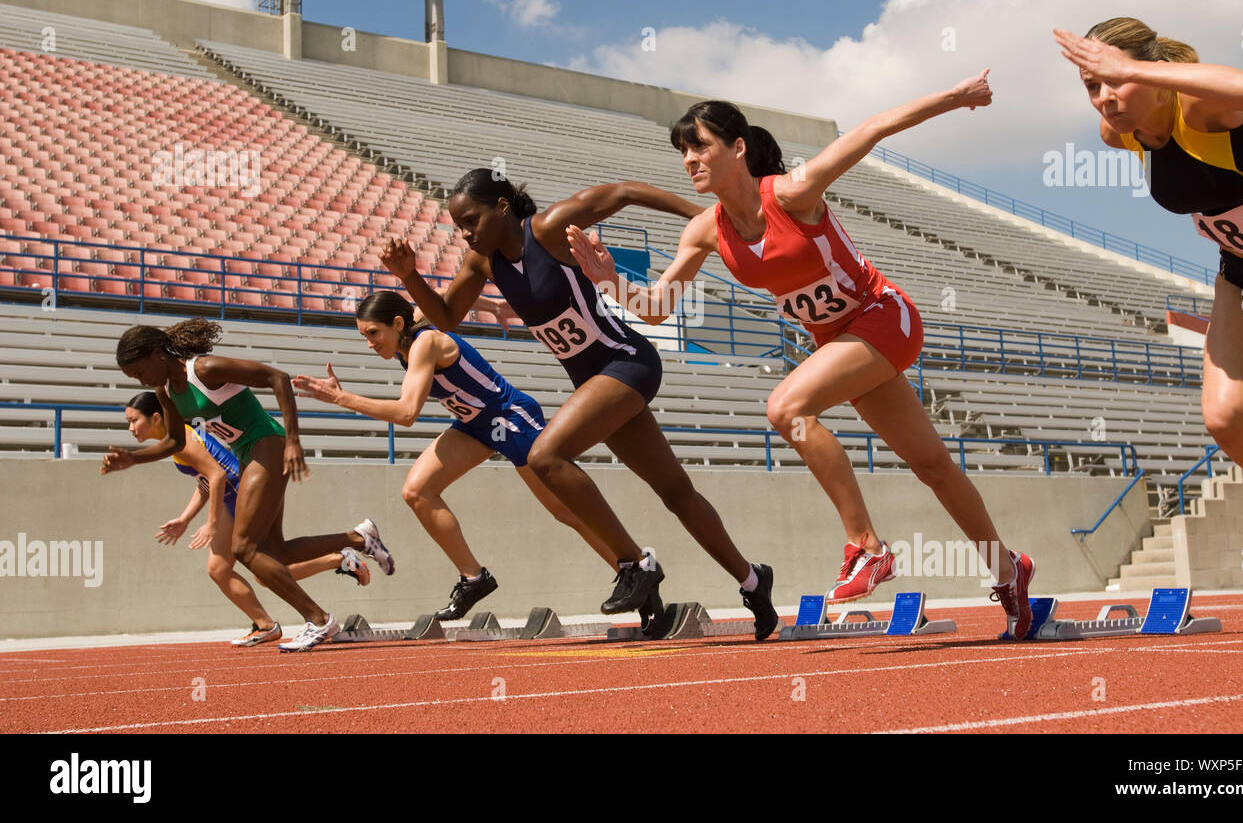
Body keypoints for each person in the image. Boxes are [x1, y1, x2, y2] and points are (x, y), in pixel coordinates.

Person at [566, 76, 1038, 638]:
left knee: (786, 406)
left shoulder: (793, 193)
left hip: (884, 317)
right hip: (840, 344)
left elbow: (872, 129)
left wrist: (954, 98)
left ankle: (867, 547)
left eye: (701, 145)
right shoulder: (704, 232)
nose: (690, 159)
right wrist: (611, 281)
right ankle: (1010, 571)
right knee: (932, 465)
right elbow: (657, 309)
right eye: (683, 151)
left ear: (737, 147)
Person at [380, 172, 779, 640]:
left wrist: (710, 217)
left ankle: (636, 564)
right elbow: (446, 317)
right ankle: (753, 580)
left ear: (504, 206)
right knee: (675, 492)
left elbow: (626, 191)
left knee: (544, 455)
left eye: (472, 219)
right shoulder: (482, 263)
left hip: (627, 361)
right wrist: (409, 277)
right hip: (596, 381)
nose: (466, 232)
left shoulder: (549, 228)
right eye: (459, 225)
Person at [1055, 17, 1243, 593]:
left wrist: (1131, 67)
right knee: (1226, 418)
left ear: (1154, 72)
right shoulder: (1122, 135)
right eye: (1092, 86)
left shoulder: (1199, 109)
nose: (1106, 98)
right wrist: (1122, 82)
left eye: (1114, 81)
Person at [292, 291, 619, 620]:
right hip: (475, 424)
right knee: (417, 491)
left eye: (373, 334)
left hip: (509, 417)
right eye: (364, 336)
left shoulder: (424, 343)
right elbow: (446, 297)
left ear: (397, 323)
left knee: (567, 512)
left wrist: (341, 399)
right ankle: (474, 578)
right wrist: (494, 307)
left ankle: (630, 570)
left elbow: (407, 413)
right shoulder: (410, 321)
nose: (370, 344)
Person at [109, 319, 395, 651]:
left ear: (158, 354)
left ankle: (318, 619)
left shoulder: (204, 369)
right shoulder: (166, 393)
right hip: (248, 455)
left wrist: (292, 440)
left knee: (243, 548)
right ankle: (360, 538)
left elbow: (278, 378)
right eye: (134, 378)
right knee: (276, 551)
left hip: (268, 444)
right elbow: (174, 442)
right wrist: (134, 458)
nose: (141, 380)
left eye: (140, 371)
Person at [111, 392, 371, 645]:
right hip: (230, 496)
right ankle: (266, 625)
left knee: (262, 570)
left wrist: (211, 523)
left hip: (238, 493)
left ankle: (338, 560)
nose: (131, 428)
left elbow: (218, 476)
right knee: (222, 569)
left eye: (134, 420)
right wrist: (185, 519)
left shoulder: (183, 439)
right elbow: (205, 481)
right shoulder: (176, 440)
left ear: (156, 417)